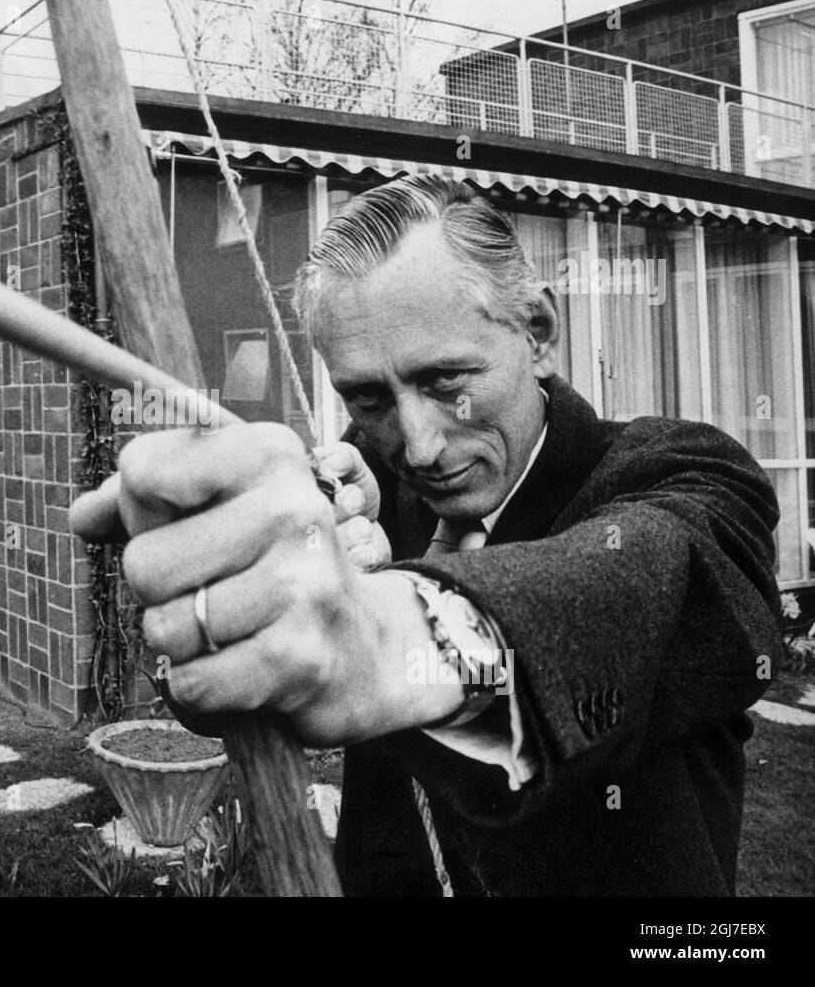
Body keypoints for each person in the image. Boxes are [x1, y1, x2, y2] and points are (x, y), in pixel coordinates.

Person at [70, 174, 782, 897]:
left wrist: (392, 640)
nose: (418, 447)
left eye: (445, 381)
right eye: (370, 396)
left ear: (536, 331)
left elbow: (655, 578)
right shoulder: (356, 494)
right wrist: (220, 581)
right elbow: (232, 688)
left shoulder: (682, 473)